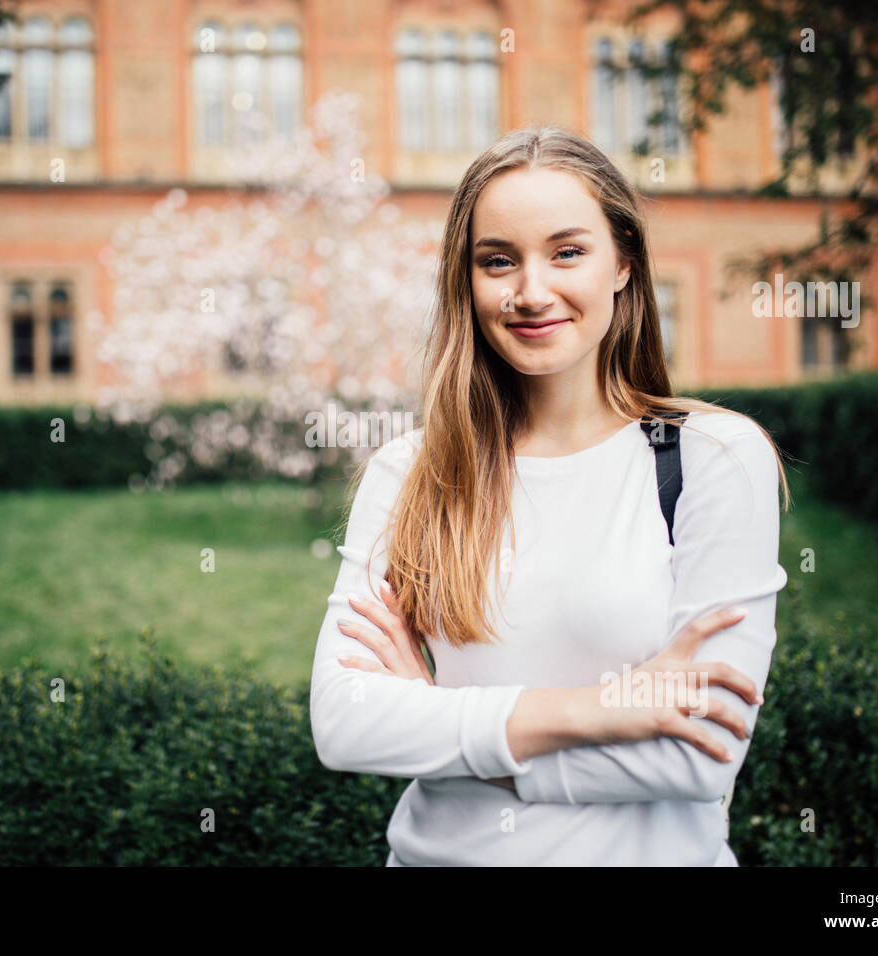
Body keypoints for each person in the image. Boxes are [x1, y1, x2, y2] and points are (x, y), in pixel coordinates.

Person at [309, 124, 791, 866]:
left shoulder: (712, 458)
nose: (532, 293)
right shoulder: (411, 472)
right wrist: (598, 710)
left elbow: (701, 755)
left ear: (623, 263)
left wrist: (443, 729)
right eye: (498, 261)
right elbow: (345, 725)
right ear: (466, 281)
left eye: (568, 251)